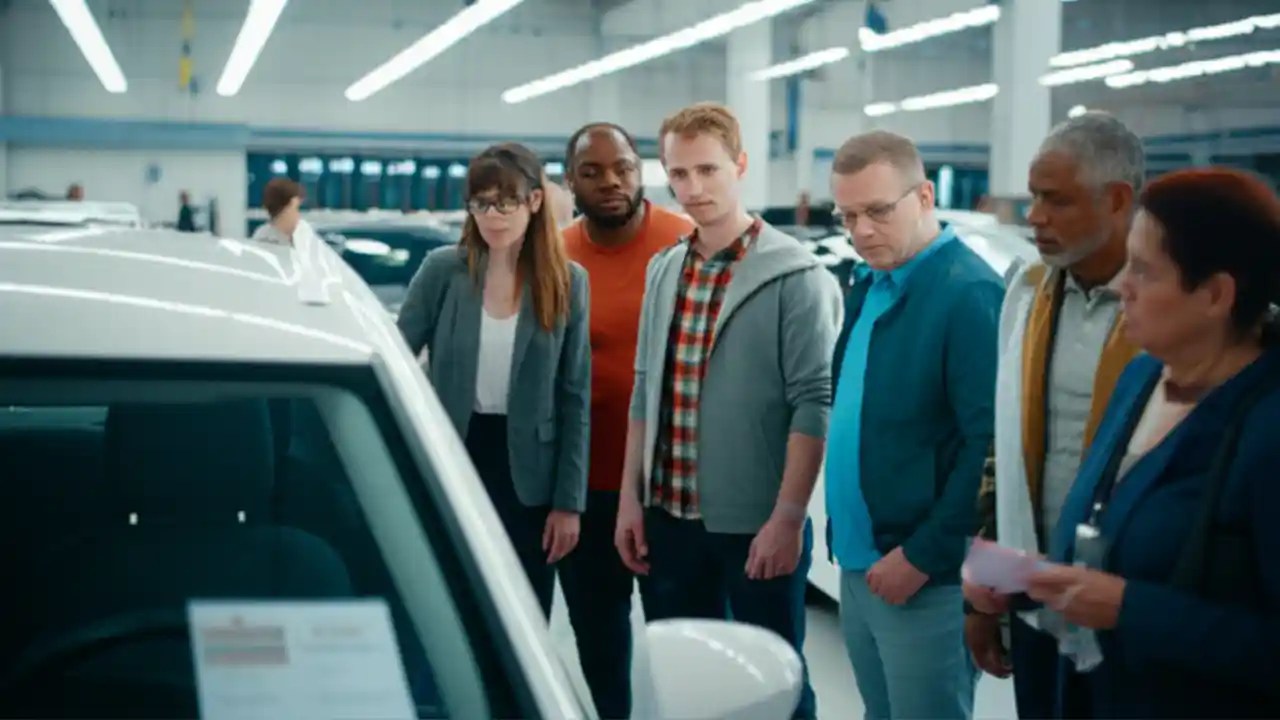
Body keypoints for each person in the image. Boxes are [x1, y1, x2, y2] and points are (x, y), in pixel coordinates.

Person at [1025, 168, 1280, 718]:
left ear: (1215, 294)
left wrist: (1131, 609)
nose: (1122, 287)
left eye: (1143, 270)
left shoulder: (1265, 429)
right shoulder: (1142, 378)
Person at [615, 102, 841, 720]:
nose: (693, 189)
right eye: (679, 174)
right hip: (669, 517)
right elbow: (644, 388)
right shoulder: (665, 269)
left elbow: (813, 404)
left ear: (740, 165)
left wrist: (788, 520)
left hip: (754, 524)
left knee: (774, 683)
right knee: (686, 684)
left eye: (708, 170)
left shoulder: (797, 276)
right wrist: (631, 502)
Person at [965, 112, 1145, 719]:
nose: (1034, 215)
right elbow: (1004, 447)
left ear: (1117, 200)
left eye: (1056, 200)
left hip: (1125, 605)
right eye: (1035, 196)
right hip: (1033, 596)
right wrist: (985, 596)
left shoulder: (1170, 306)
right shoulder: (1027, 290)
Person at [825, 130, 1002, 720]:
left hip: (925, 575)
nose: (861, 231)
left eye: (878, 211)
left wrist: (925, 555)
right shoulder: (870, 283)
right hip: (860, 560)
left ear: (924, 196)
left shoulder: (968, 294)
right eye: (847, 215)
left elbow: (989, 447)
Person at [396, 142, 590, 619]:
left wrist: (569, 505)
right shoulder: (444, 270)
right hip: (455, 453)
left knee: (523, 611)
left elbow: (575, 396)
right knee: (450, 605)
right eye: (481, 203)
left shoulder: (567, 281)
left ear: (534, 202)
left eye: (505, 202)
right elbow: (397, 359)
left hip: (531, 475)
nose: (492, 215)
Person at [559, 121, 693, 720]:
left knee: (681, 639)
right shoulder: (555, 255)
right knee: (599, 639)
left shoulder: (685, 243)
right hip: (583, 487)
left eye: (623, 168)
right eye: (592, 172)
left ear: (642, 172)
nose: (610, 181)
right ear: (571, 182)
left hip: (670, 488)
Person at [250, 178, 304, 246]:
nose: (298, 215)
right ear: (292, 203)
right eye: (297, 208)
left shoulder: (299, 236)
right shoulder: (265, 239)